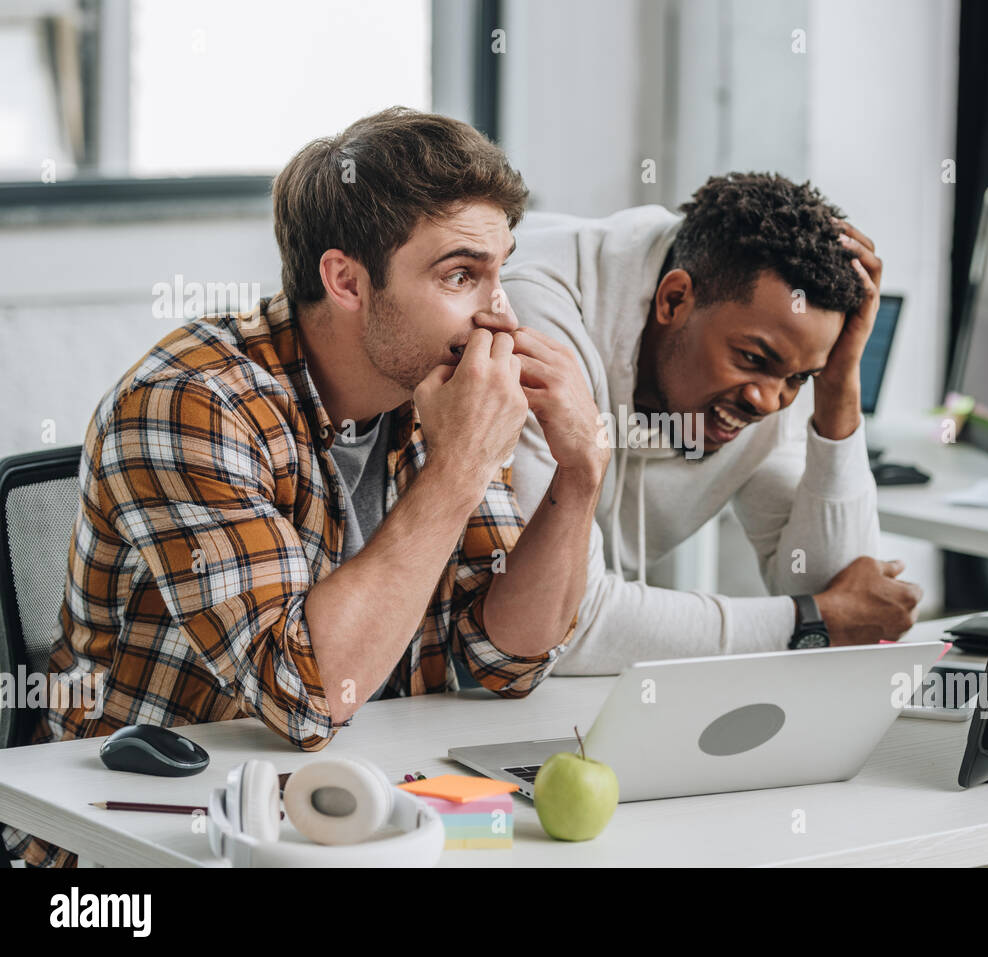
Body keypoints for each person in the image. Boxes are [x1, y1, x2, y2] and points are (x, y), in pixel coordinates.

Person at [2, 108, 607, 867]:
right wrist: (457, 469)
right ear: (346, 279)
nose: (501, 317)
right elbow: (307, 695)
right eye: (461, 275)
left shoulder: (435, 389)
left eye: (500, 272)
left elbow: (501, 657)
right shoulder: (191, 402)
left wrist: (580, 476)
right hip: (134, 843)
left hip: (341, 820)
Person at [503, 172, 922, 673]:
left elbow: (837, 593)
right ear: (674, 300)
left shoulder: (773, 369)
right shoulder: (531, 316)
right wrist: (812, 623)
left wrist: (837, 390)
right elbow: (558, 629)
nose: (769, 402)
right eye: (751, 358)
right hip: (429, 691)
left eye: (800, 378)